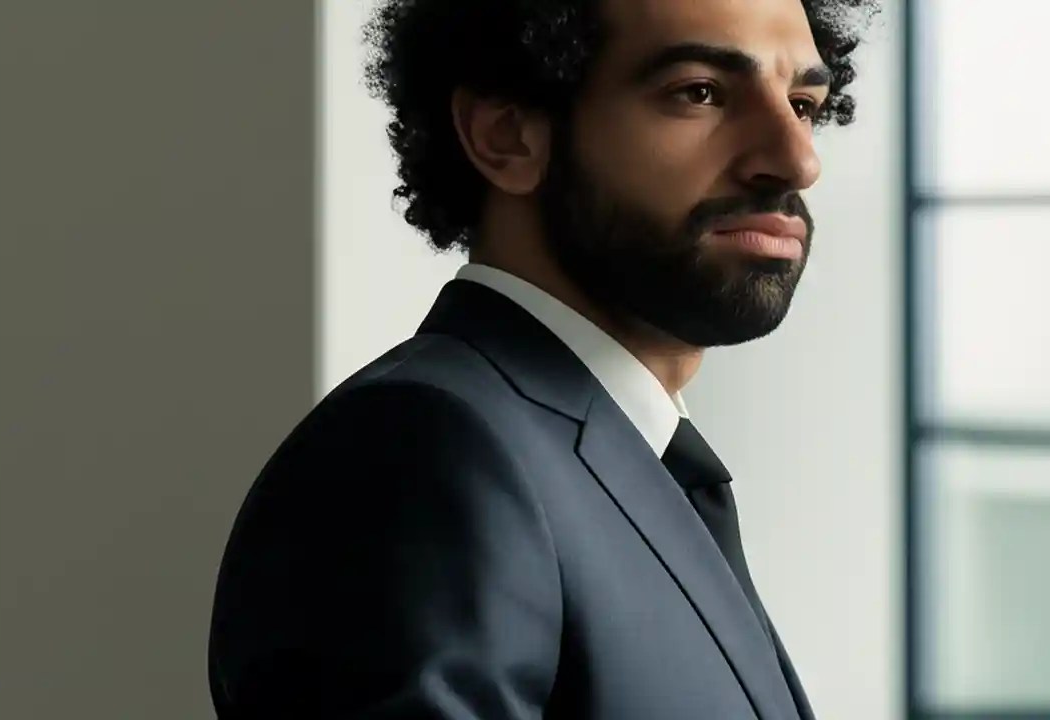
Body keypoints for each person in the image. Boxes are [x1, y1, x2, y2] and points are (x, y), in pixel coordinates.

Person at [208, 0, 872, 716]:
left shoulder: (621, 459)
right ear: (507, 137)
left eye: (803, 104)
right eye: (699, 93)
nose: (797, 159)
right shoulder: (422, 450)